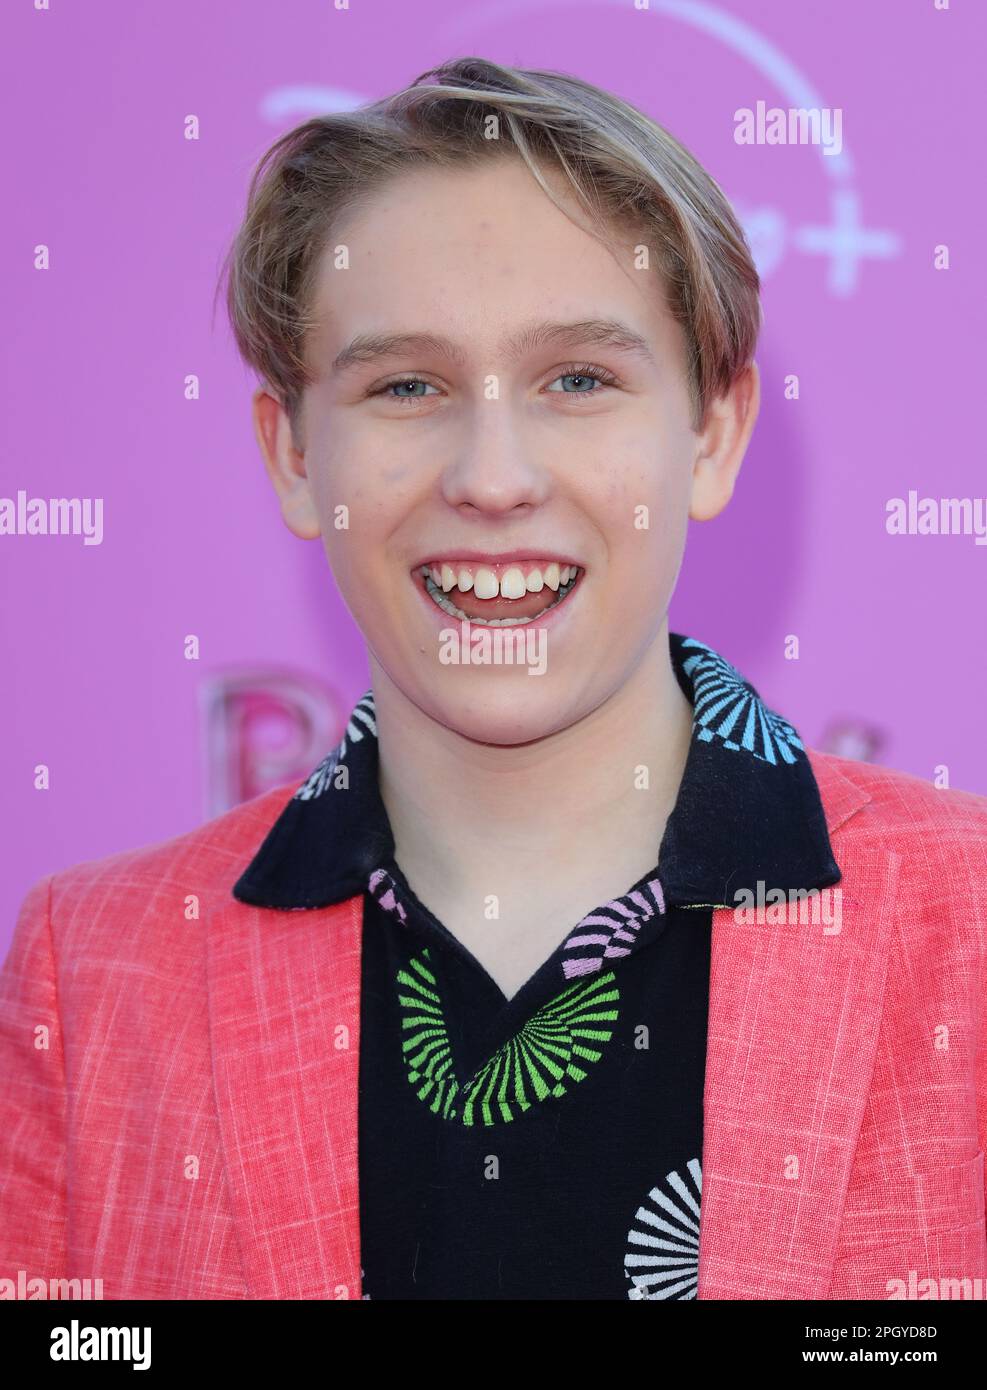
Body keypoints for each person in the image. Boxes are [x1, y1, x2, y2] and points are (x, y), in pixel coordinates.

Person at [1, 57, 984, 1302]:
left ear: (713, 436)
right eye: (407, 385)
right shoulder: (89, 975)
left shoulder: (974, 930)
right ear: (294, 454)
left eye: (579, 379)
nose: (494, 474)